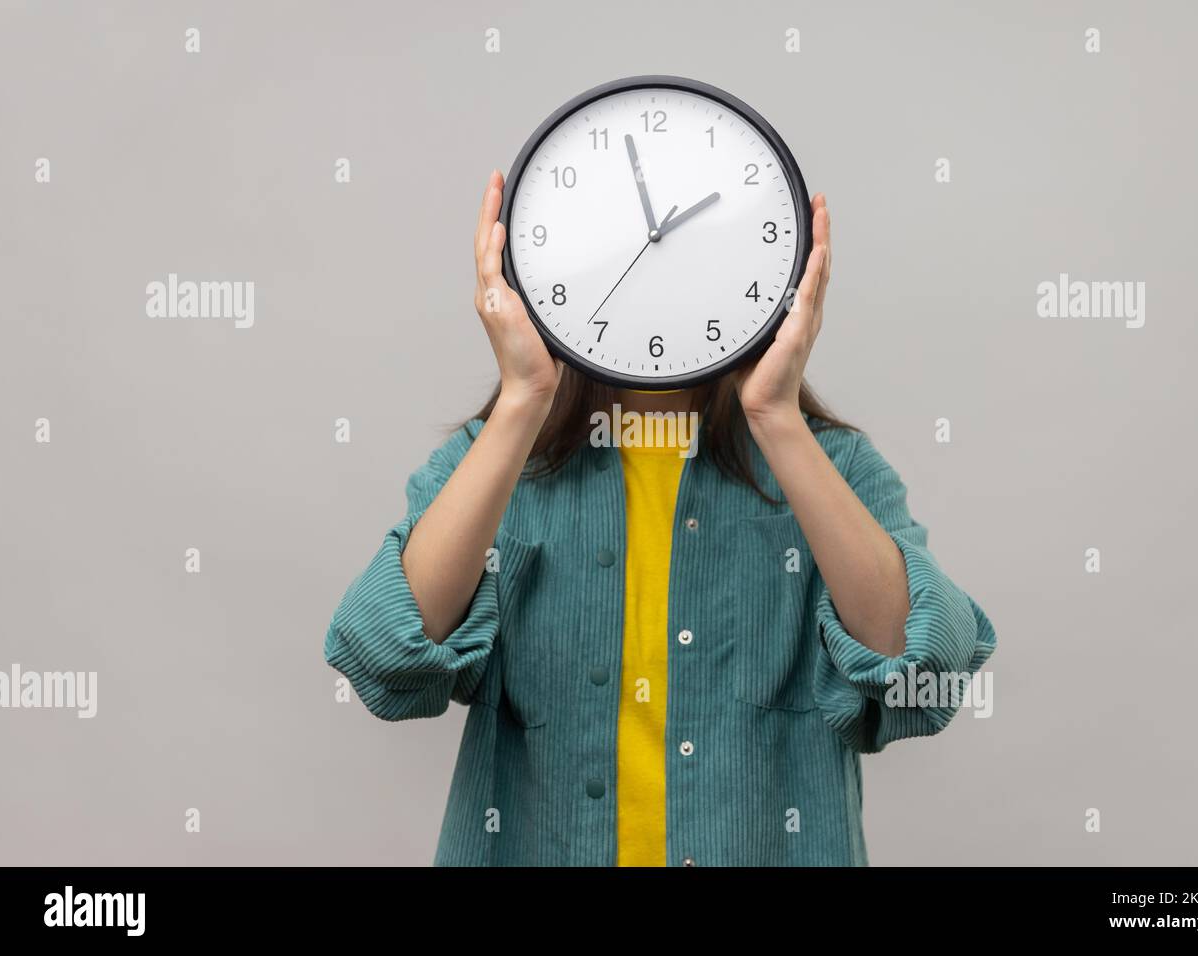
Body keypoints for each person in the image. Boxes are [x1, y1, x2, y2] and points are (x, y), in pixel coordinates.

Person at [323, 170, 997, 866]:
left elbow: (924, 671)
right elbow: (382, 657)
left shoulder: (833, 466)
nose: (660, 271)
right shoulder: (496, 462)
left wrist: (776, 417)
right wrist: (523, 397)